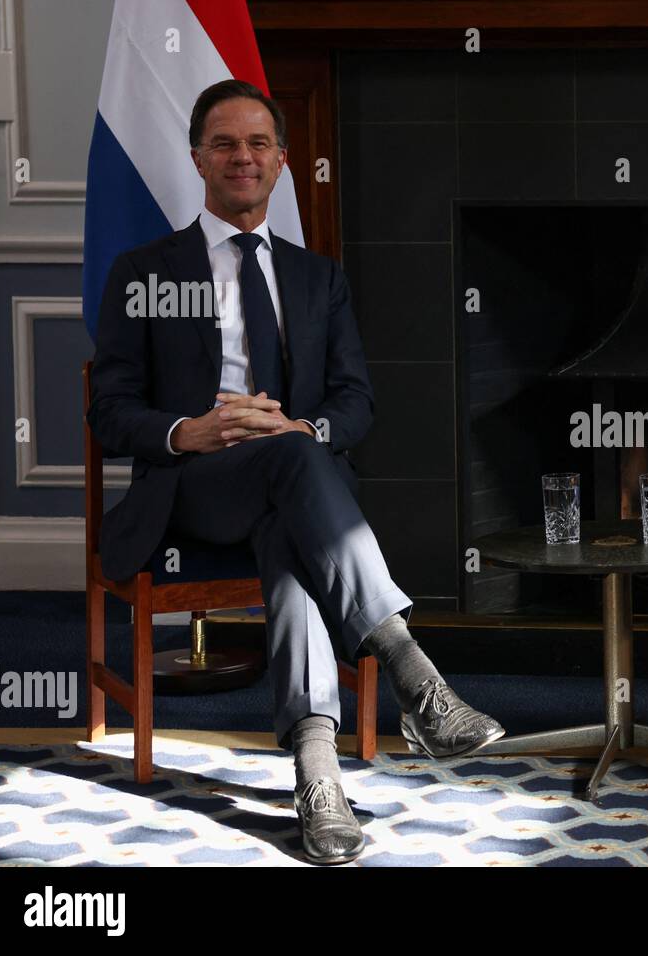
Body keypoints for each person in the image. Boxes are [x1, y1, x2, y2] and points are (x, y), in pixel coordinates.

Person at [88, 79, 504, 865]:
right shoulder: (145, 270)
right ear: (197, 159)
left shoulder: (320, 278)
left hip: (291, 489)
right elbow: (109, 410)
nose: (241, 158)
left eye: (257, 144)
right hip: (195, 488)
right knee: (290, 469)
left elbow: (355, 402)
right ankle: (416, 675)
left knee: (290, 516)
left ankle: (317, 776)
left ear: (282, 161)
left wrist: (299, 427)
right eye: (224, 144)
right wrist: (192, 429)